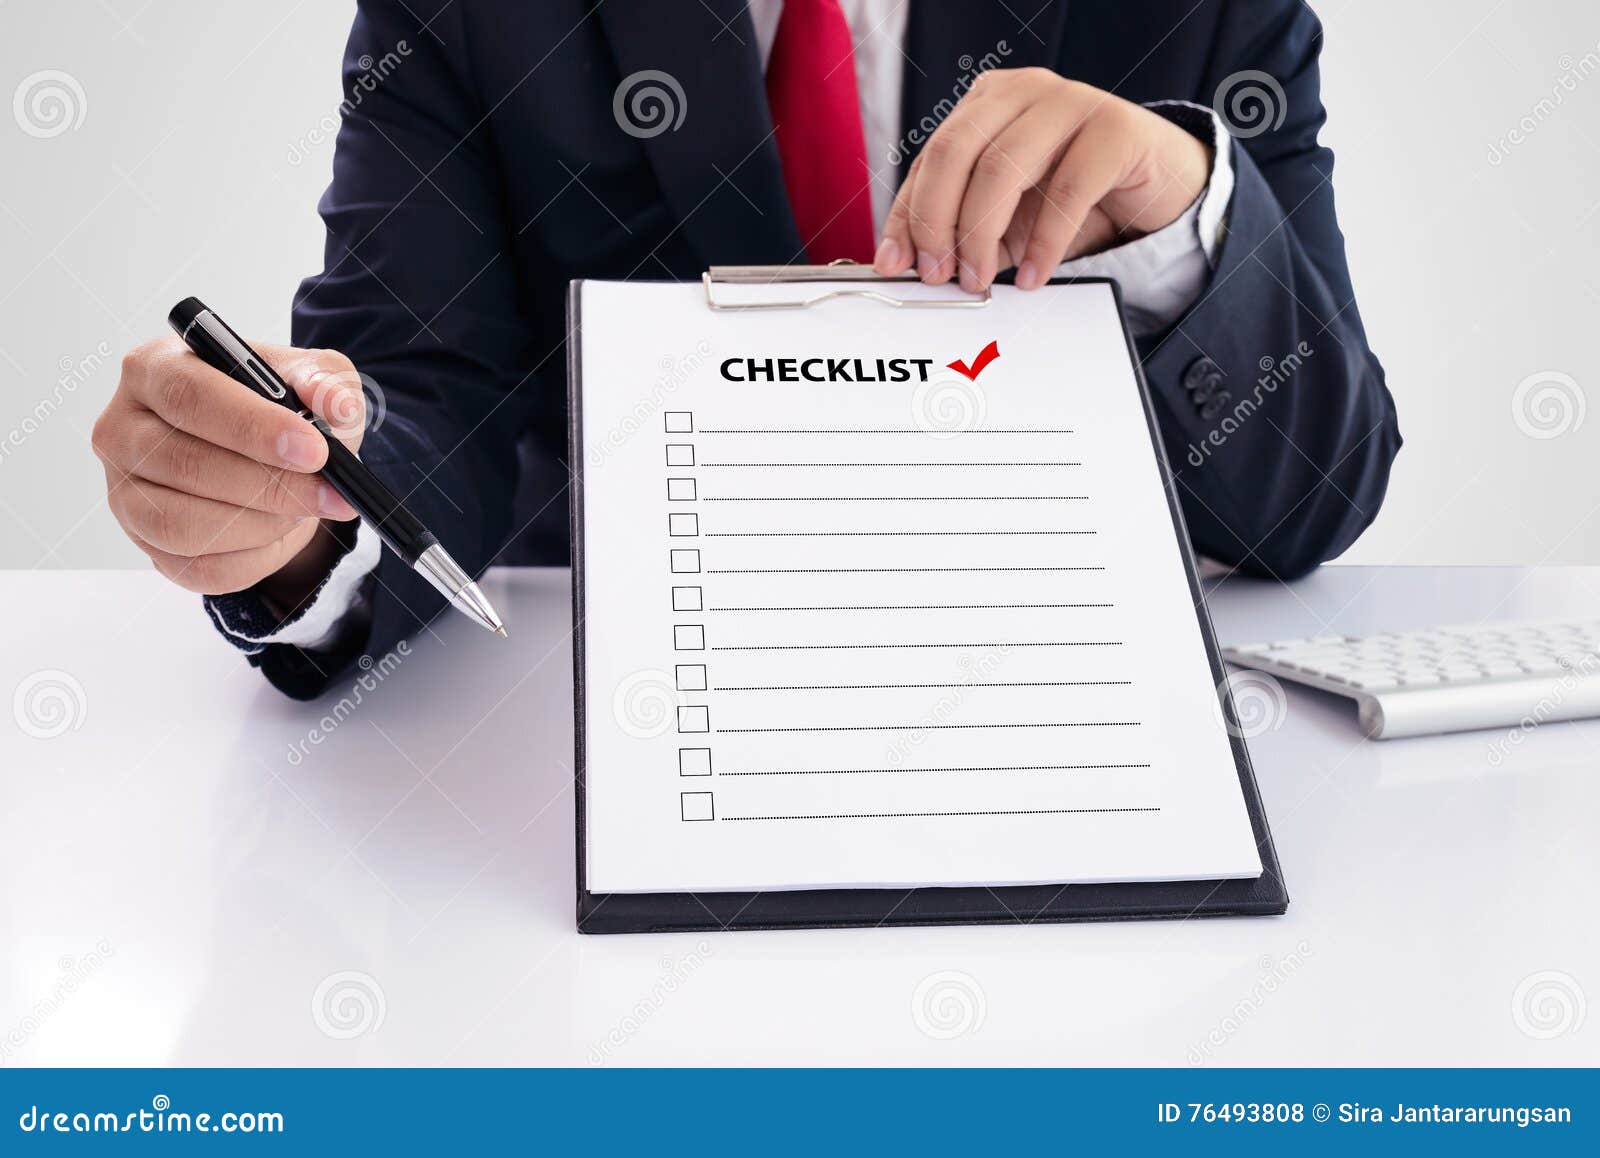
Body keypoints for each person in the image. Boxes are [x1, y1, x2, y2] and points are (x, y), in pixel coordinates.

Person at [90, 0, 1400, 699]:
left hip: (1057, 717)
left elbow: (1316, 495)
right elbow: (422, 402)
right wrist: (295, 524)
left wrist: (1178, 221)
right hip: (624, 723)